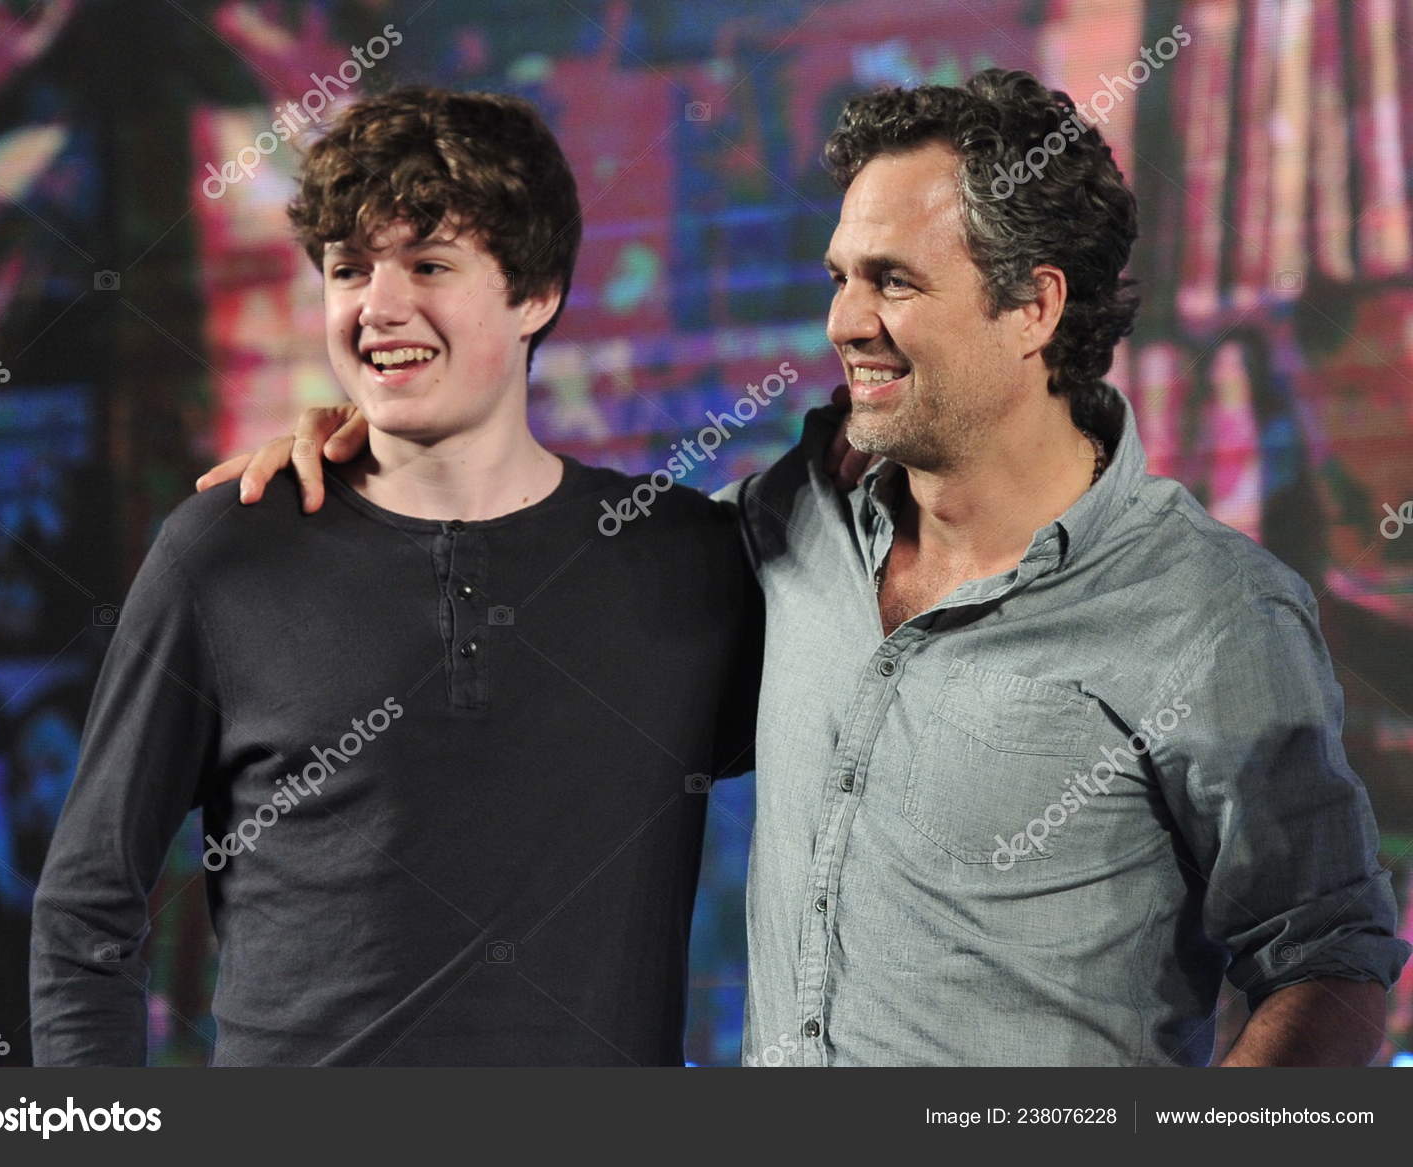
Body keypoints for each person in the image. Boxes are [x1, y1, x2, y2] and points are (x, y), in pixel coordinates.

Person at [215, 70, 1408, 1066]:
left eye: (892, 280)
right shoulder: (784, 531)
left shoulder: (1210, 616)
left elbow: (1328, 954)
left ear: (1033, 306)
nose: (842, 321)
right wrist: (378, 443)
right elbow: (556, 571)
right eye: (839, 275)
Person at [30, 87, 762, 1067]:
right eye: (348, 269)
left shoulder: (684, 559)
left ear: (536, 290)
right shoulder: (226, 551)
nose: (378, 307)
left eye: (428, 264)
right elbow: (87, 914)